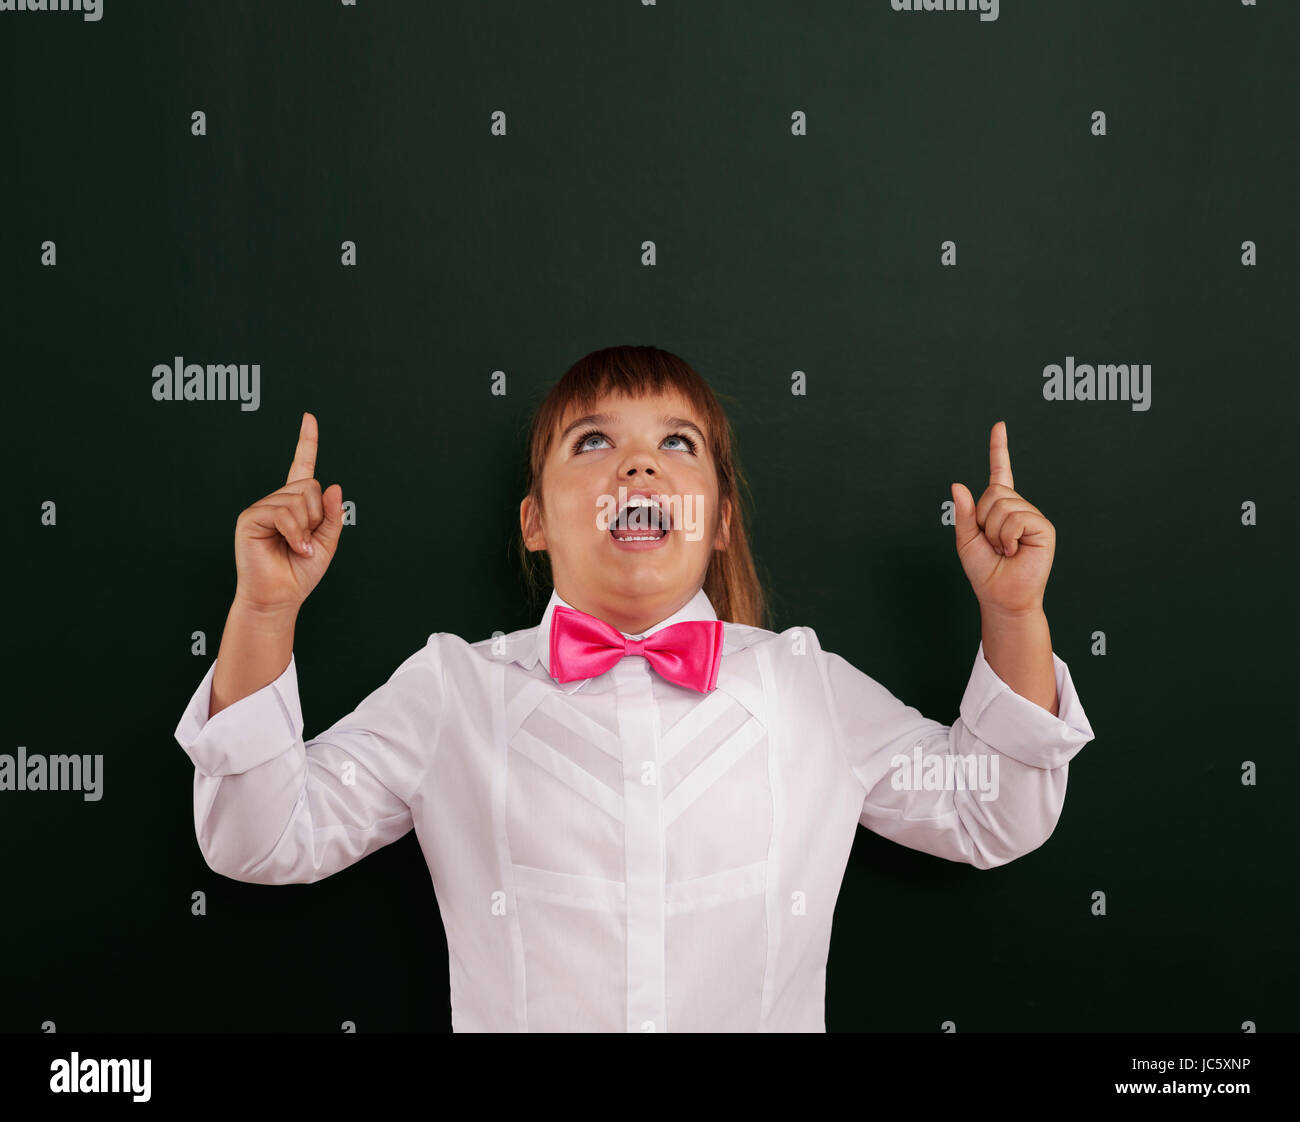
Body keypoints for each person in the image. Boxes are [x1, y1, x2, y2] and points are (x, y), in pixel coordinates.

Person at [173, 344, 1095, 1032]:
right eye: (593, 441)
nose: (640, 464)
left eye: (676, 443)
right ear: (534, 521)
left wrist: (1014, 617)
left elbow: (995, 816)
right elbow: (257, 840)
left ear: (721, 520)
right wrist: (263, 614)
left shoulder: (805, 686)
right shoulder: (452, 689)